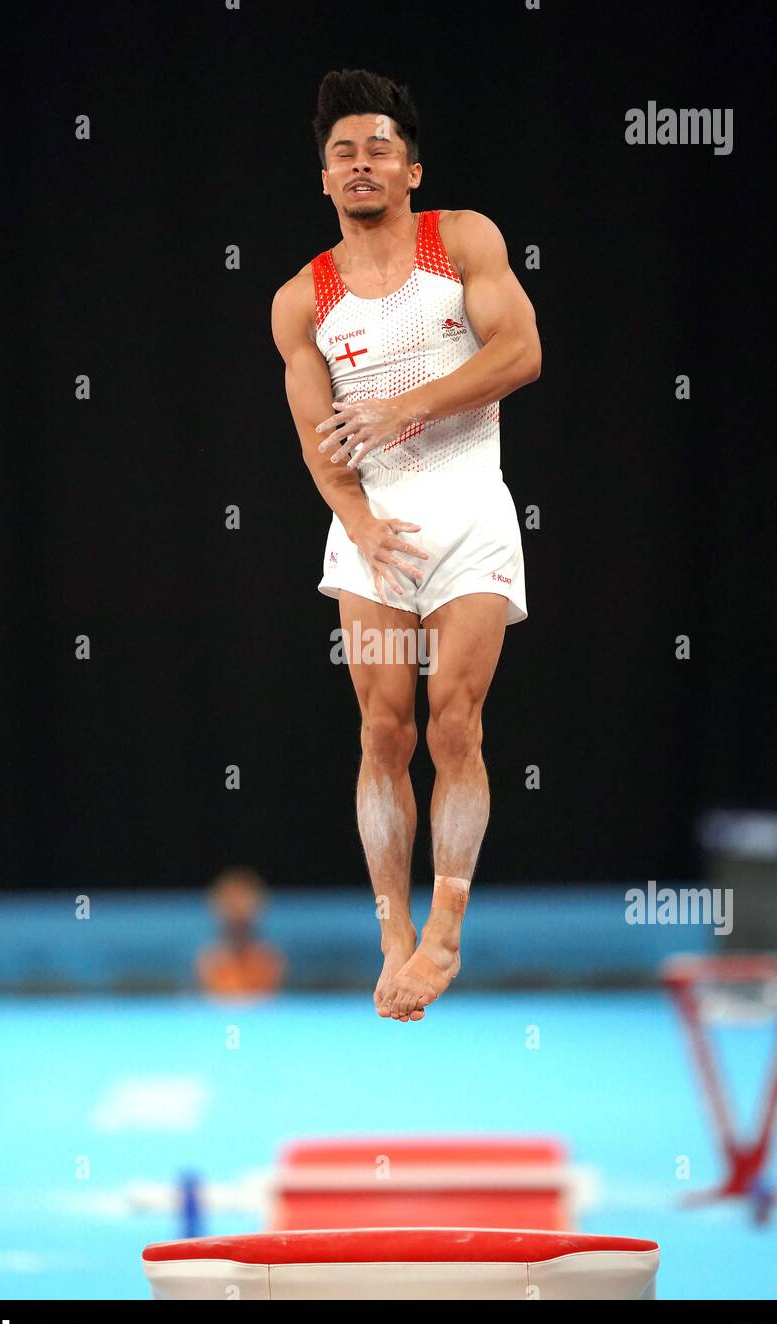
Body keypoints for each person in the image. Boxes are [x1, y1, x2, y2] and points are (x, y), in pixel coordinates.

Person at [271, 69, 542, 1022]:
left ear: (411, 168)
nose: (360, 163)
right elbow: (319, 442)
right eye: (342, 152)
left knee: (451, 724)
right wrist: (358, 524)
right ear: (324, 179)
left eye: (378, 147)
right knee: (382, 730)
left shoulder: (463, 240)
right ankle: (393, 932)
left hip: (468, 508)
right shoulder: (300, 301)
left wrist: (405, 407)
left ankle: (448, 931)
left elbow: (521, 355)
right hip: (375, 531)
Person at [195, 868, 286, 997]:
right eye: (231, 906)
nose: (237, 913)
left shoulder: (272, 963)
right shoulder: (206, 964)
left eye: (243, 906)